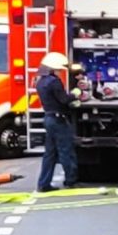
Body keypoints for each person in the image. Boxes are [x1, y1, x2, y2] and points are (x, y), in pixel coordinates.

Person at [32, 52, 79, 191]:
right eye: (59, 69)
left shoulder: (40, 82)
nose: (60, 71)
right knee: (66, 150)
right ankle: (71, 181)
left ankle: (43, 183)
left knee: (50, 153)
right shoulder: (54, 82)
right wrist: (76, 94)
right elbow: (63, 99)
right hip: (58, 120)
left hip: (48, 118)